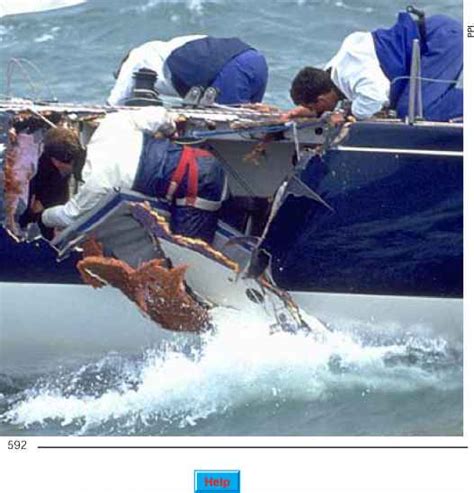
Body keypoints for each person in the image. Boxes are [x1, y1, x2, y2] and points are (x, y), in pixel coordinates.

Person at [40, 107, 228, 244]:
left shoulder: (96, 182)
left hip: (197, 186)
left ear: (57, 162)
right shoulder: (111, 125)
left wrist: (43, 215)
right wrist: (170, 131)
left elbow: (69, 216)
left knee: (189, 261)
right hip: (205, 161)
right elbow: (159, 114)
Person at [287, 11, 463, 122]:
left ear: (321, 100)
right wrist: (310, 111)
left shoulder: (354, 74)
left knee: (413, 111)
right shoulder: (334, 71)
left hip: (442, 39)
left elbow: (375, 98)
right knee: (419, 100)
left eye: (314, 108)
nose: (317, 113)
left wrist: (350, 115)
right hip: (440, 34)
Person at [108, 35, 268, 106]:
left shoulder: (136, 58)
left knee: (230, 129)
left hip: (233, 68)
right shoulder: (163, 49)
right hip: (256, 60)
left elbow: (115, 104)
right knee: (250, 122)